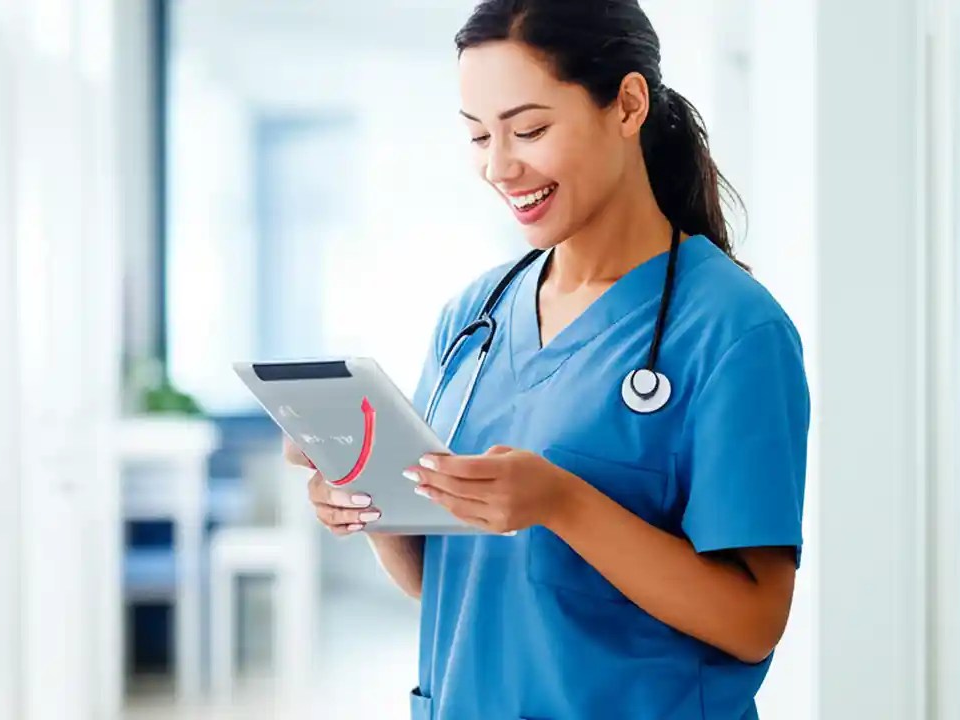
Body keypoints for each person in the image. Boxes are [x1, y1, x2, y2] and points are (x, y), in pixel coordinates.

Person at [283, 1, 810, 717]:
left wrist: (561, 503)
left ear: (627, 105)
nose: (499, 166)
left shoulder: (732, 331)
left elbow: (753, 622)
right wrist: (371, 505)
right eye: (478, 136)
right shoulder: (472, 319)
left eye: (528, 129)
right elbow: (456, 587)